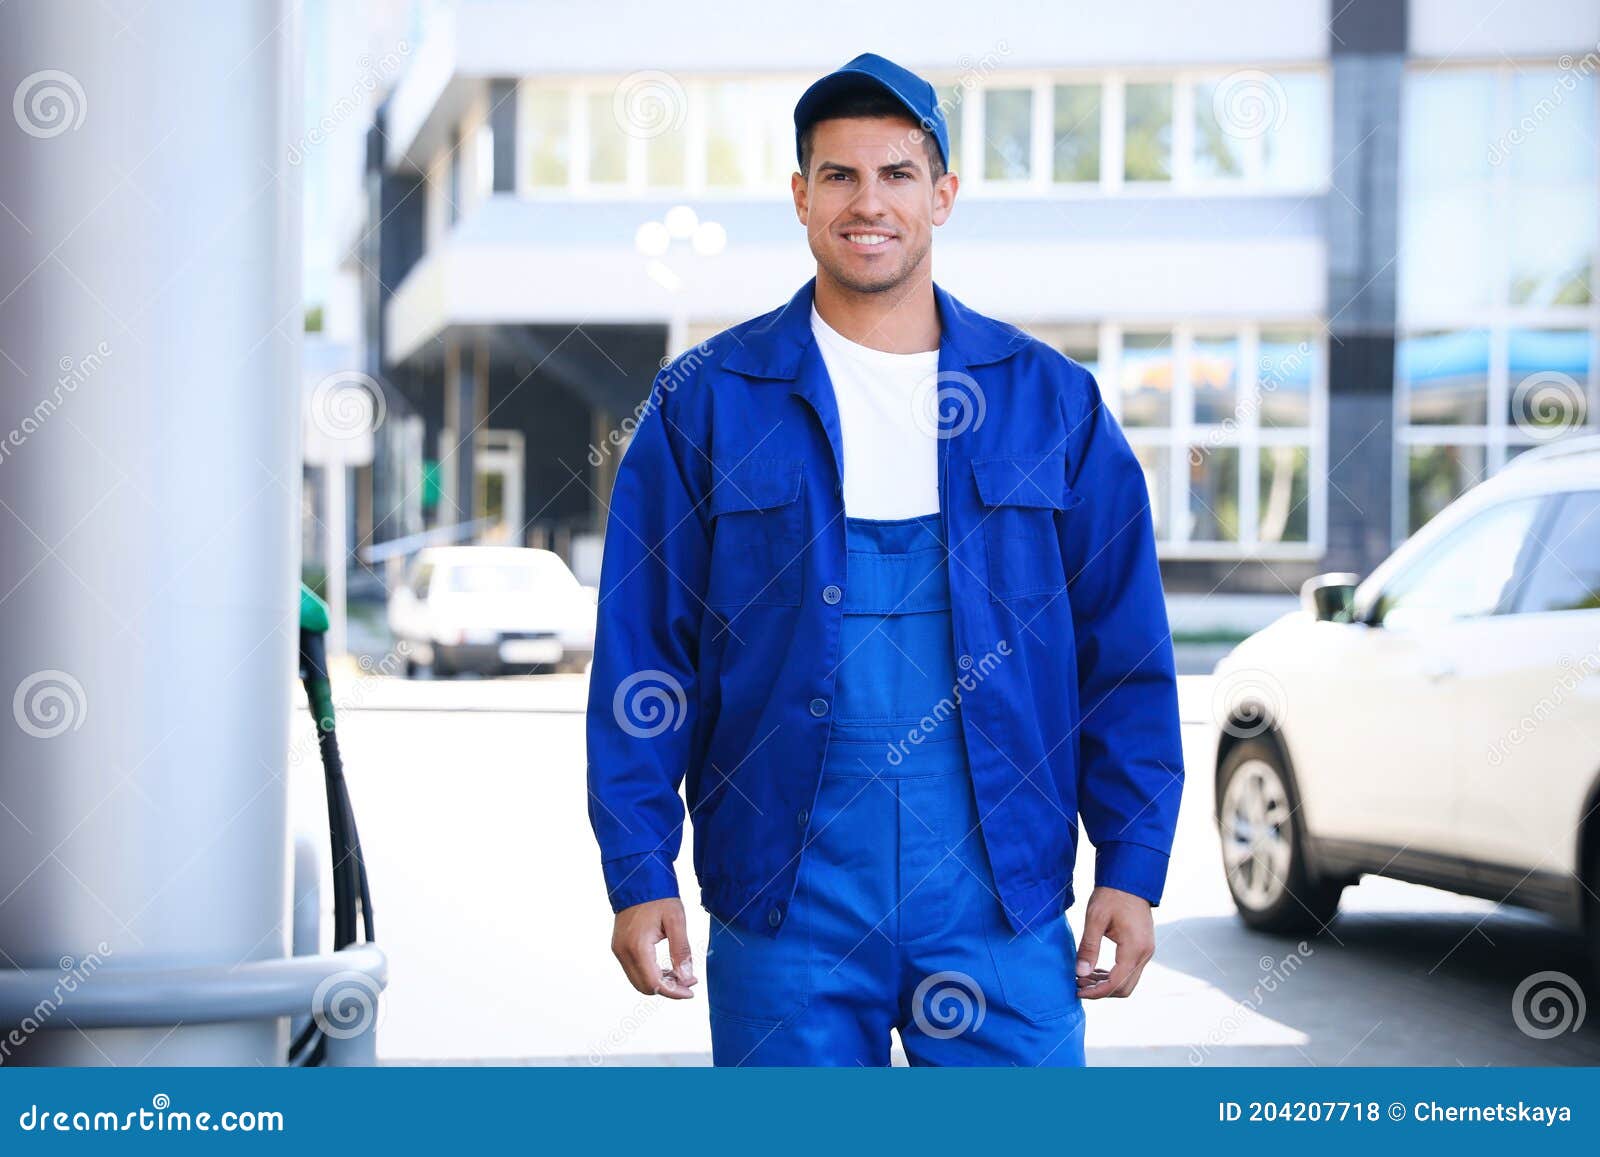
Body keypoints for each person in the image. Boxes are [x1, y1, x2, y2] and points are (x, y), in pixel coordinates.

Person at [585, 52, 1184, 1066]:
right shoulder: (707, 403)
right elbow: (645, 654)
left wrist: (1132, 860)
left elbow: (1121, 657)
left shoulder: (1051, 405)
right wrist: (639, 864)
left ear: (942, 195)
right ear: (800, 196)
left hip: (1000, 905)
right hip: (788, 912)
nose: (870, 202)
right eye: (839, 175)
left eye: (898, 174)